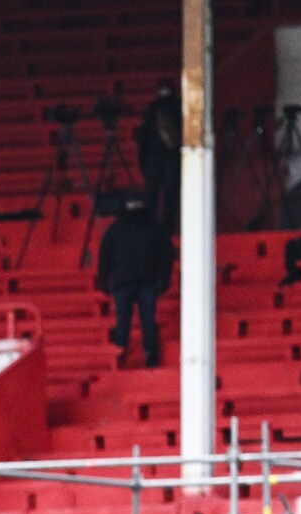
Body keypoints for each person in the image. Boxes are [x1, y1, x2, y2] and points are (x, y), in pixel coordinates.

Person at [95, 196, 171, 369]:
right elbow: (166, 254)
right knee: (140, 323)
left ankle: (127, 359)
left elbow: (104, 256)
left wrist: (104, 279)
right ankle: (134, 358)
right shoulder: (152, 227)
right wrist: (164, 279)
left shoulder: (116, 229)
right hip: (138, 284)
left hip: (133, 284)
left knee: (131, 323)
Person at [136, 80, 181, 228]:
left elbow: (143, 137)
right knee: (169, 193)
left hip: (156, 158)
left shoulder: (152, 108)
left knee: (153, 193)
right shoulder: (177, 107)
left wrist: (142, 161)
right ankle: (167, 225)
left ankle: (151, 225)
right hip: (169, 158)